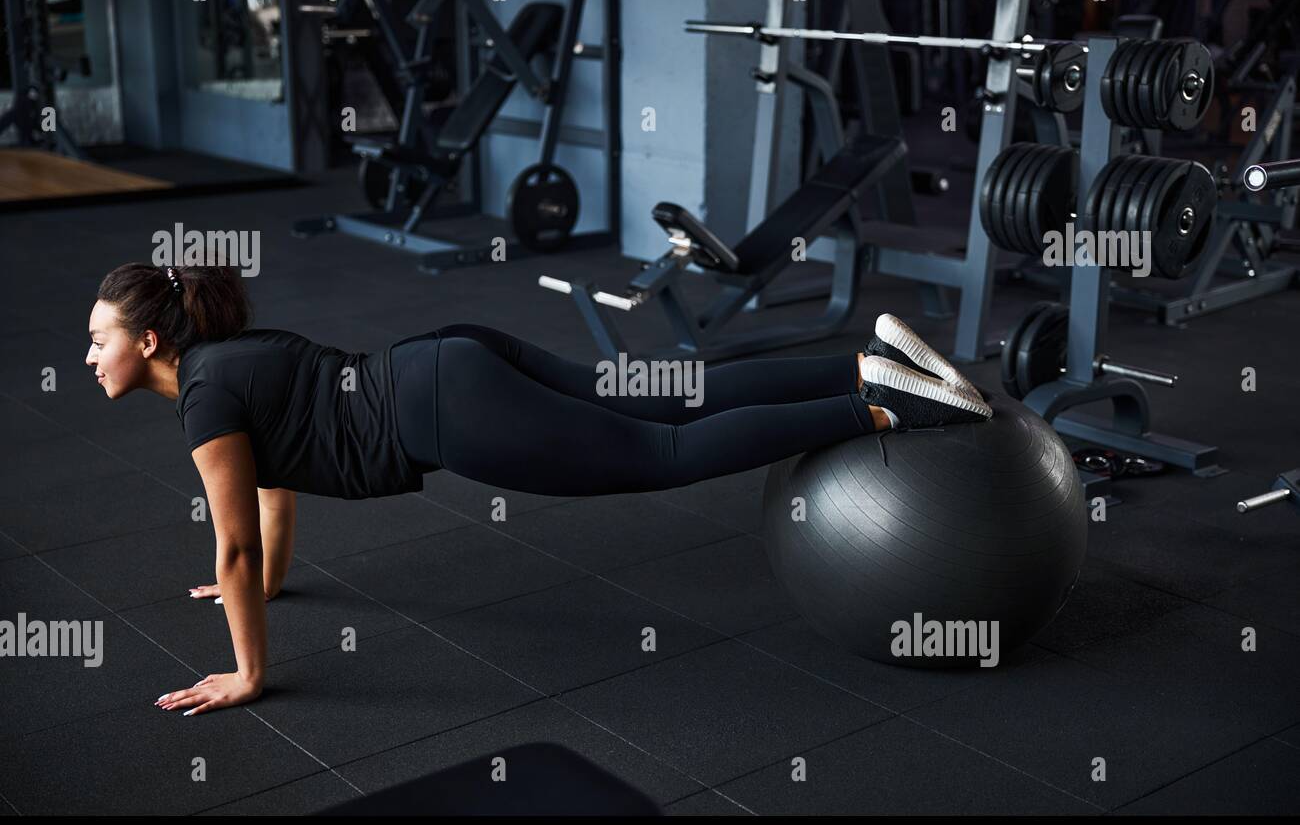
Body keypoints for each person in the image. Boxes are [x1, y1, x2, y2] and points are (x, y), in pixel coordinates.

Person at [85, 263, 991, 716]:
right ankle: (871, 360)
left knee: (664, 452)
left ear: (150, 344)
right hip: (447, 355)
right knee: (672, 393)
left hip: (448, 413)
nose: (90, 356)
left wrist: (249, 673)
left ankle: (883, 413)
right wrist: (273, 586)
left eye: (100, 340)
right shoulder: (224, 368)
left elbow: (233, 542)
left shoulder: (203, 400)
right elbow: (275, 495)